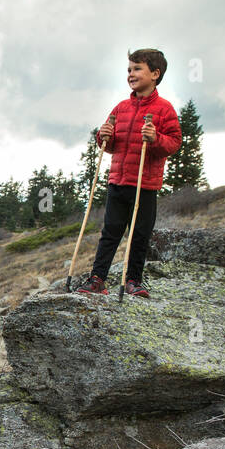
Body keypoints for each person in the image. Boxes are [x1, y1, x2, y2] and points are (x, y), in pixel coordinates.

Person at [75, 48, 182, 298]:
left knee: (140, 235)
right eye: (129, 70)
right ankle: (97, 279)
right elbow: (110, 145)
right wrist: (103, 136)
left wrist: (155, 139)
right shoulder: (120, 108)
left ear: (155, 74)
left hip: (145, 185)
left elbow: (174, 143)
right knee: (110, 233)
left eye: (137, 69)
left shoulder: (164, 109)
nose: (131, 74)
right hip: (118, 182)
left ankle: (134, 281)